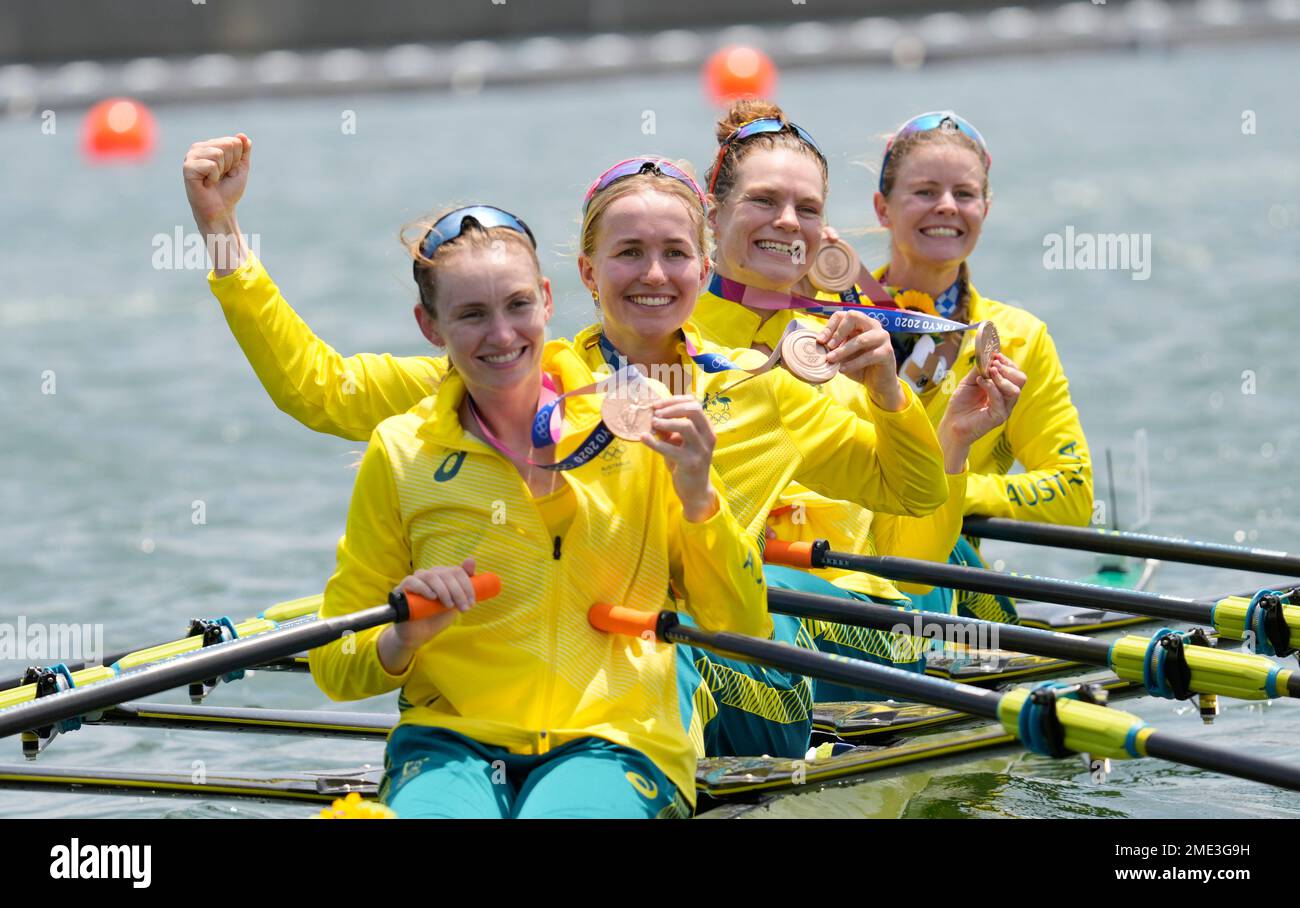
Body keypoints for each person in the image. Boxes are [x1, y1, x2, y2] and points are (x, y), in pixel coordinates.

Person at [183, 134, 959, 758]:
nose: (652, 276)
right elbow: (319, 389)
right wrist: (222, 234)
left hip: (714, 656)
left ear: (703, 267)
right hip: (567, 682)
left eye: (673, 256)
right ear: (584, 275)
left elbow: (916, 492)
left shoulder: (769, 388)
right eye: (628, 256)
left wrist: (890, 395)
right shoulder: (521, 374)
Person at [185, 142, 770, 818]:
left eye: (518, 306)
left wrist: (700, 497)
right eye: (470, 315)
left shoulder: (636, 422)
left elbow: (742, 626)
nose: (500, 336)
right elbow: (337, 660)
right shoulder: (402, 447)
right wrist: (405, 636)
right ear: (428, 326)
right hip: (452, 741)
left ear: (548, 300)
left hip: (614, 739)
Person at [691, 99, 1025, 645]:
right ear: (713, 213)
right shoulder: (670, 338)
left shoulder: (847, 349)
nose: (786, 221)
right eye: (764, 201)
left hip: (860, 621)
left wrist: (957, 440)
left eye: (807, 208)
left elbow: (912, 562)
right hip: (724, 609)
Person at [857, 110, 1092, 619]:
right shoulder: (834, 323)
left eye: (964, 195)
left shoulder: (1019, 339)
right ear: (883, 208)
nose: (946, 207)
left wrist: (953, 489)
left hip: (942, 589)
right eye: (924, 192)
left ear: (985, 208)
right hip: (833, 571)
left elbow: (1074, 493)